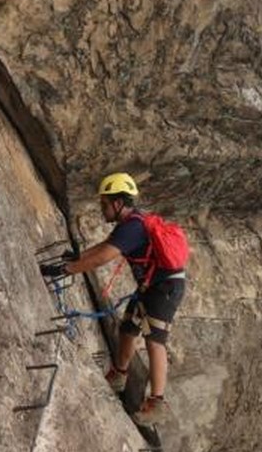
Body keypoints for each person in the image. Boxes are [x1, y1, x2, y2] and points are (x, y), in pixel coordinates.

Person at [39, 173, 186, 425]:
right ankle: (119, 374)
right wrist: (76, 258)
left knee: (154, 340)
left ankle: (157, 402)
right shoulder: (129, 226)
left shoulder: (133, 227)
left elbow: (104, 257)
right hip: (151, 285)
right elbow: (102, 248)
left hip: (165, 288)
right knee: (128, 326)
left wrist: (67, 270)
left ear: (119, 203)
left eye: (105, 204)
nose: (102, 209)